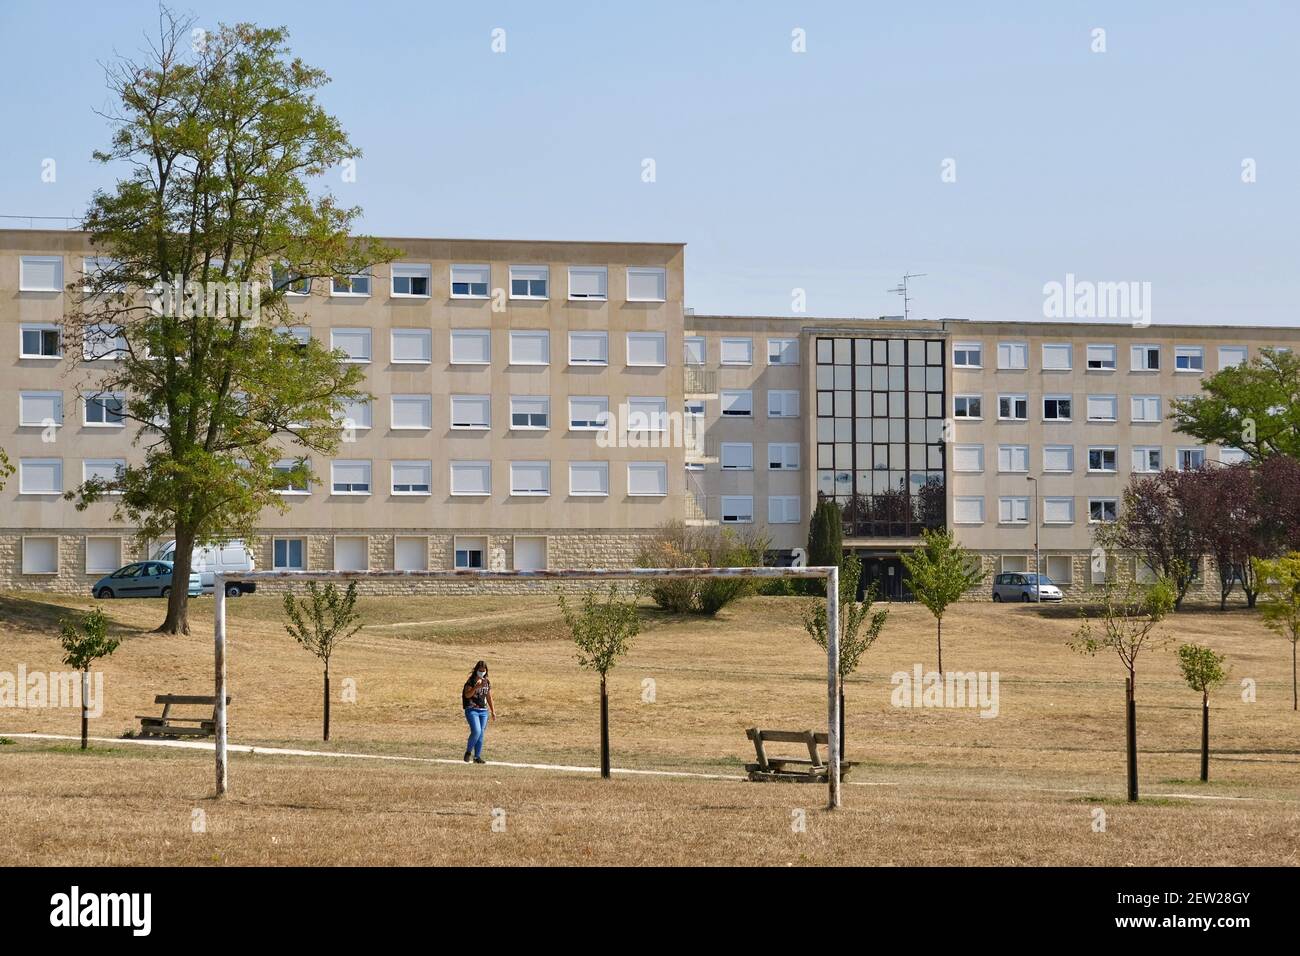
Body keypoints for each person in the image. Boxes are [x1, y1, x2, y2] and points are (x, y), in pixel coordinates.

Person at [462, 660, 495, 763]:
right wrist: (476, 687)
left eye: (483, 670)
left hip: (483, 711)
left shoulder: (486, 682)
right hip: (472, 709)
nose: (482, 672)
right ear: (476, 670)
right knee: (476, 731)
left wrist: (493, 710)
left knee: (481, 734)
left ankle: (477, 757)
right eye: (480, 670)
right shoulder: (471, 681)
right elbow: (467, 695)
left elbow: (489, 697)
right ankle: (468, 752)